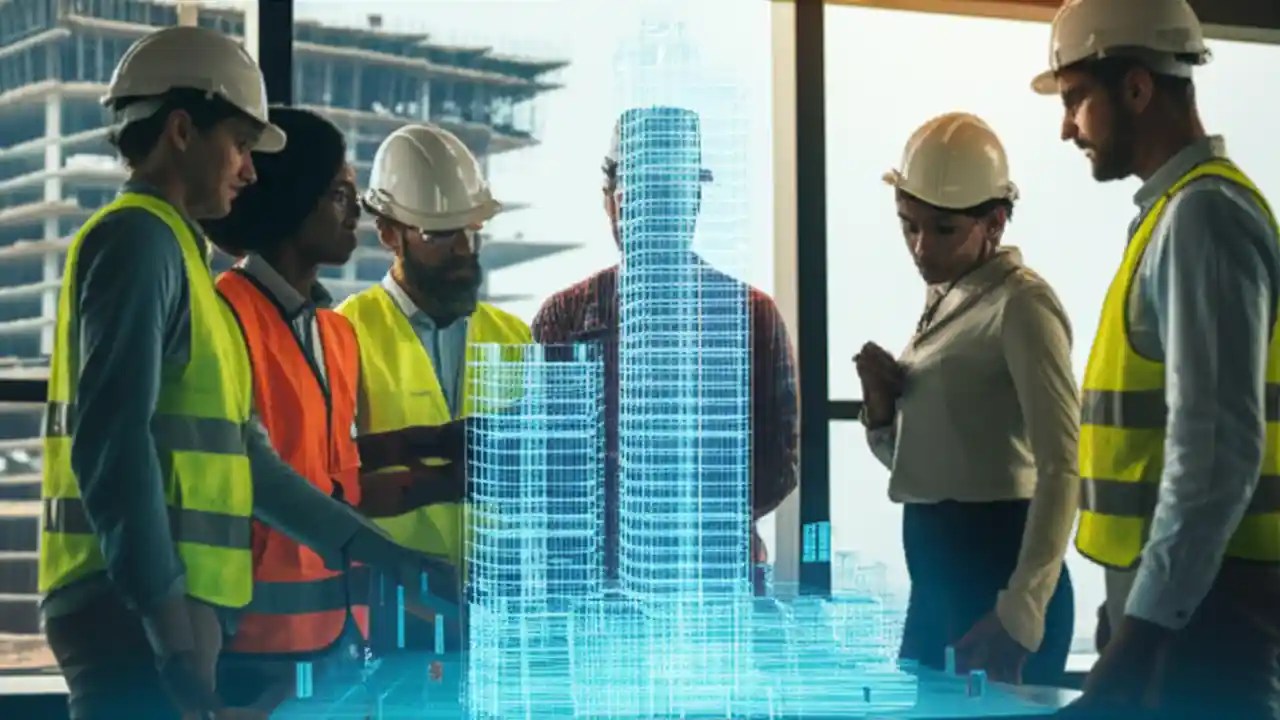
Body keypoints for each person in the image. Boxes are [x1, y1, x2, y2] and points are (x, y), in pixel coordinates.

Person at [37, 27, 431, 720]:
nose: (249, 172)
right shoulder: (139, 240)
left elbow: (251, 463)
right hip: (134, 614)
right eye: (241, 145)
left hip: (167, 614)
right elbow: (113, 443)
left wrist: (387, 557)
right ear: (182, 131)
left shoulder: (186, 263)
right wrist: (170, 631)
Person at [1033, 1, 1280, 717]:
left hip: (1204, 619)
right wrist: (1133, 613)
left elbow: (1214, 456)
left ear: (1137, 88)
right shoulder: (1176, 214)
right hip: (1186, 608)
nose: (1066, 127)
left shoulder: (1203, 217)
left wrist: (1141, 636)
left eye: (1075, 99)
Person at [199, 107, 462, 717]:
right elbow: (254, 480)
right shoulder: (225, 317)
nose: (356, 213)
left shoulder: (336, 335)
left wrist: (441, 466)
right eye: (340, 195)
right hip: (252, 652)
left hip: (342, 645)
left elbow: (334, 481)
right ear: (294, 201)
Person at [530, 106, 799, 592]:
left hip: (712, 579)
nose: (654, 217)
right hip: (599, 583)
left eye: (668, 197)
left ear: (694, 201)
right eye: (641, 198)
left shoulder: (750, 317)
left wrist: (688, 519)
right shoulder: (564, 318)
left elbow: (779, 463)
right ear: (610, 202)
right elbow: (544, 463)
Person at [854, 112, 1079, 686]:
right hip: (938, 583)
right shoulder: (951, 298)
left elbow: (1062, 467)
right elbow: (938, 468)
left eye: (943, 229)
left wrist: (1021, 611)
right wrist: (881, 413)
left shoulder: (1021, 305)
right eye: (908, 225)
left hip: (995, 581)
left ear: (994, 222)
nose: (921, 247)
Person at [337, 123, 531, 651]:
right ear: (389, 233)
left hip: (501, 613)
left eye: (471, 230)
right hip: (393, 614)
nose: (464, 250)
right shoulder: (345, 333)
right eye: (439, 235)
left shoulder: (515, 338)